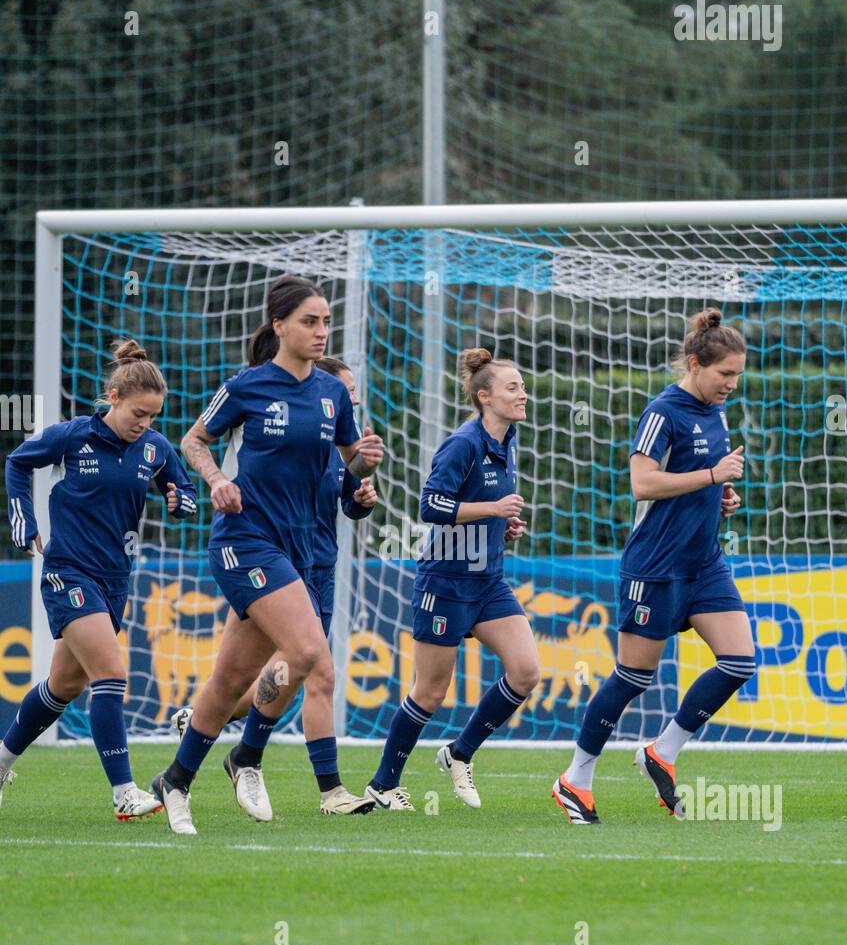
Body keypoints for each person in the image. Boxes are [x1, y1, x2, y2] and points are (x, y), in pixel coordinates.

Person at [151, 274, 384, 835]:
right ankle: (248, 757)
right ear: (279, 326)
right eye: (310, 321)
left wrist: (365, 465)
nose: (321, 331)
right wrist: (214, 480)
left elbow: (350, 459)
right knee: (305, 649)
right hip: (244, 539)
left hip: (301, 548)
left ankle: (176, 779)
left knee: (230, 680)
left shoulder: (332, 394)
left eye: (326, 321)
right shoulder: (247, 386)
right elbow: (193, 440)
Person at [552, 308, 754, 825]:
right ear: (694, 363)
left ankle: (662, 751)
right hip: (656, 567)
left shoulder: (716, 411)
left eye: (736, 375)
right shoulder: (663, 412)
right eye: (723, 374)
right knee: (633, 678)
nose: (731, 384)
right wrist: (712, 476)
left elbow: (696, 480)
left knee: (739, 662)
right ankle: (576, 779)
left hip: (704, 564)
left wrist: (721, 494)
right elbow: (643, 483)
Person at [0, 339, 197, 819]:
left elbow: (185, 491)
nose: (144, 424)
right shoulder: (72, 436)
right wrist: (23, 521)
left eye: (153, 416)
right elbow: (17, 462)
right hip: (69, 572)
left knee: (63, 686)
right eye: (138, 413)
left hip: (115, 580)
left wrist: (180, 502)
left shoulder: (155, 448)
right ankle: (124, 792)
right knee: (110, 674)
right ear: (114, 398)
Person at [365, 347, 540, 811]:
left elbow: (484, 510)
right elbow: (430, 506)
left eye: (522, 386)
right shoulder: (464, 443)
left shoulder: (510, 438)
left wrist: (505, 528)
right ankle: (382, 785)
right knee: (430, 691)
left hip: (490, 582)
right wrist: (493, 509)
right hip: (445, 583)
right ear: (485, 397)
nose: (524, 394)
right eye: (513, 387)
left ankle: (459, 753)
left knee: (526, 671)